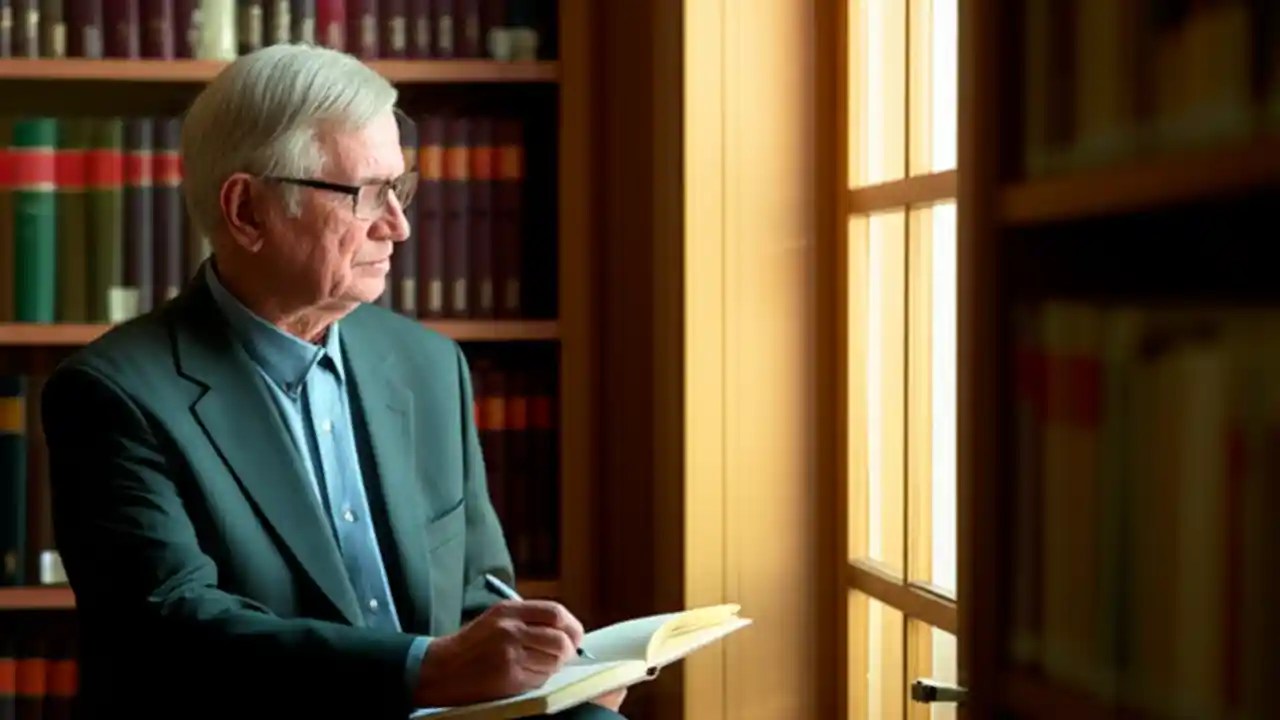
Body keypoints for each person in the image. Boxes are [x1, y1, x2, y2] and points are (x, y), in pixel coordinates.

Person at [41, 44, 624, 720]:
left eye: (399, 190)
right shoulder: (114, 394)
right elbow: (176, 630)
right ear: (247, 212)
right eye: (366, 195)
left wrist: (553, 680)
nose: (398, 226)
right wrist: (424, 671)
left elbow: (478, 597)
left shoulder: (430, 367)